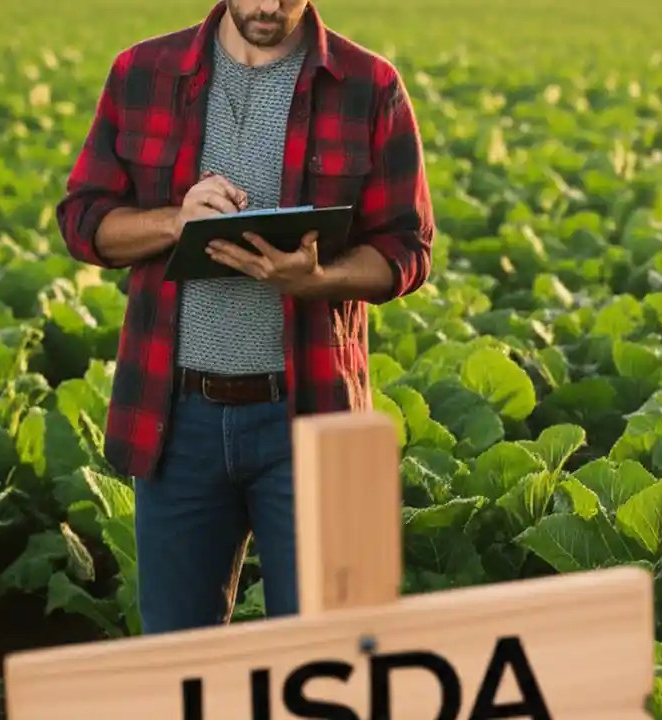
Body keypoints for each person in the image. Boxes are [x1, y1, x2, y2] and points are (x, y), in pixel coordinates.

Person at [55, 0, 434, 635]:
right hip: (178, 422)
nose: (266, 7)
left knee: (324, 656)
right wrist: (175, 220)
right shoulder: (142, 72)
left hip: (311, 417)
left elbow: (408, 249)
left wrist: (317, 281)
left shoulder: (370, 86)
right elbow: (85, 223)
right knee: (181, 659)